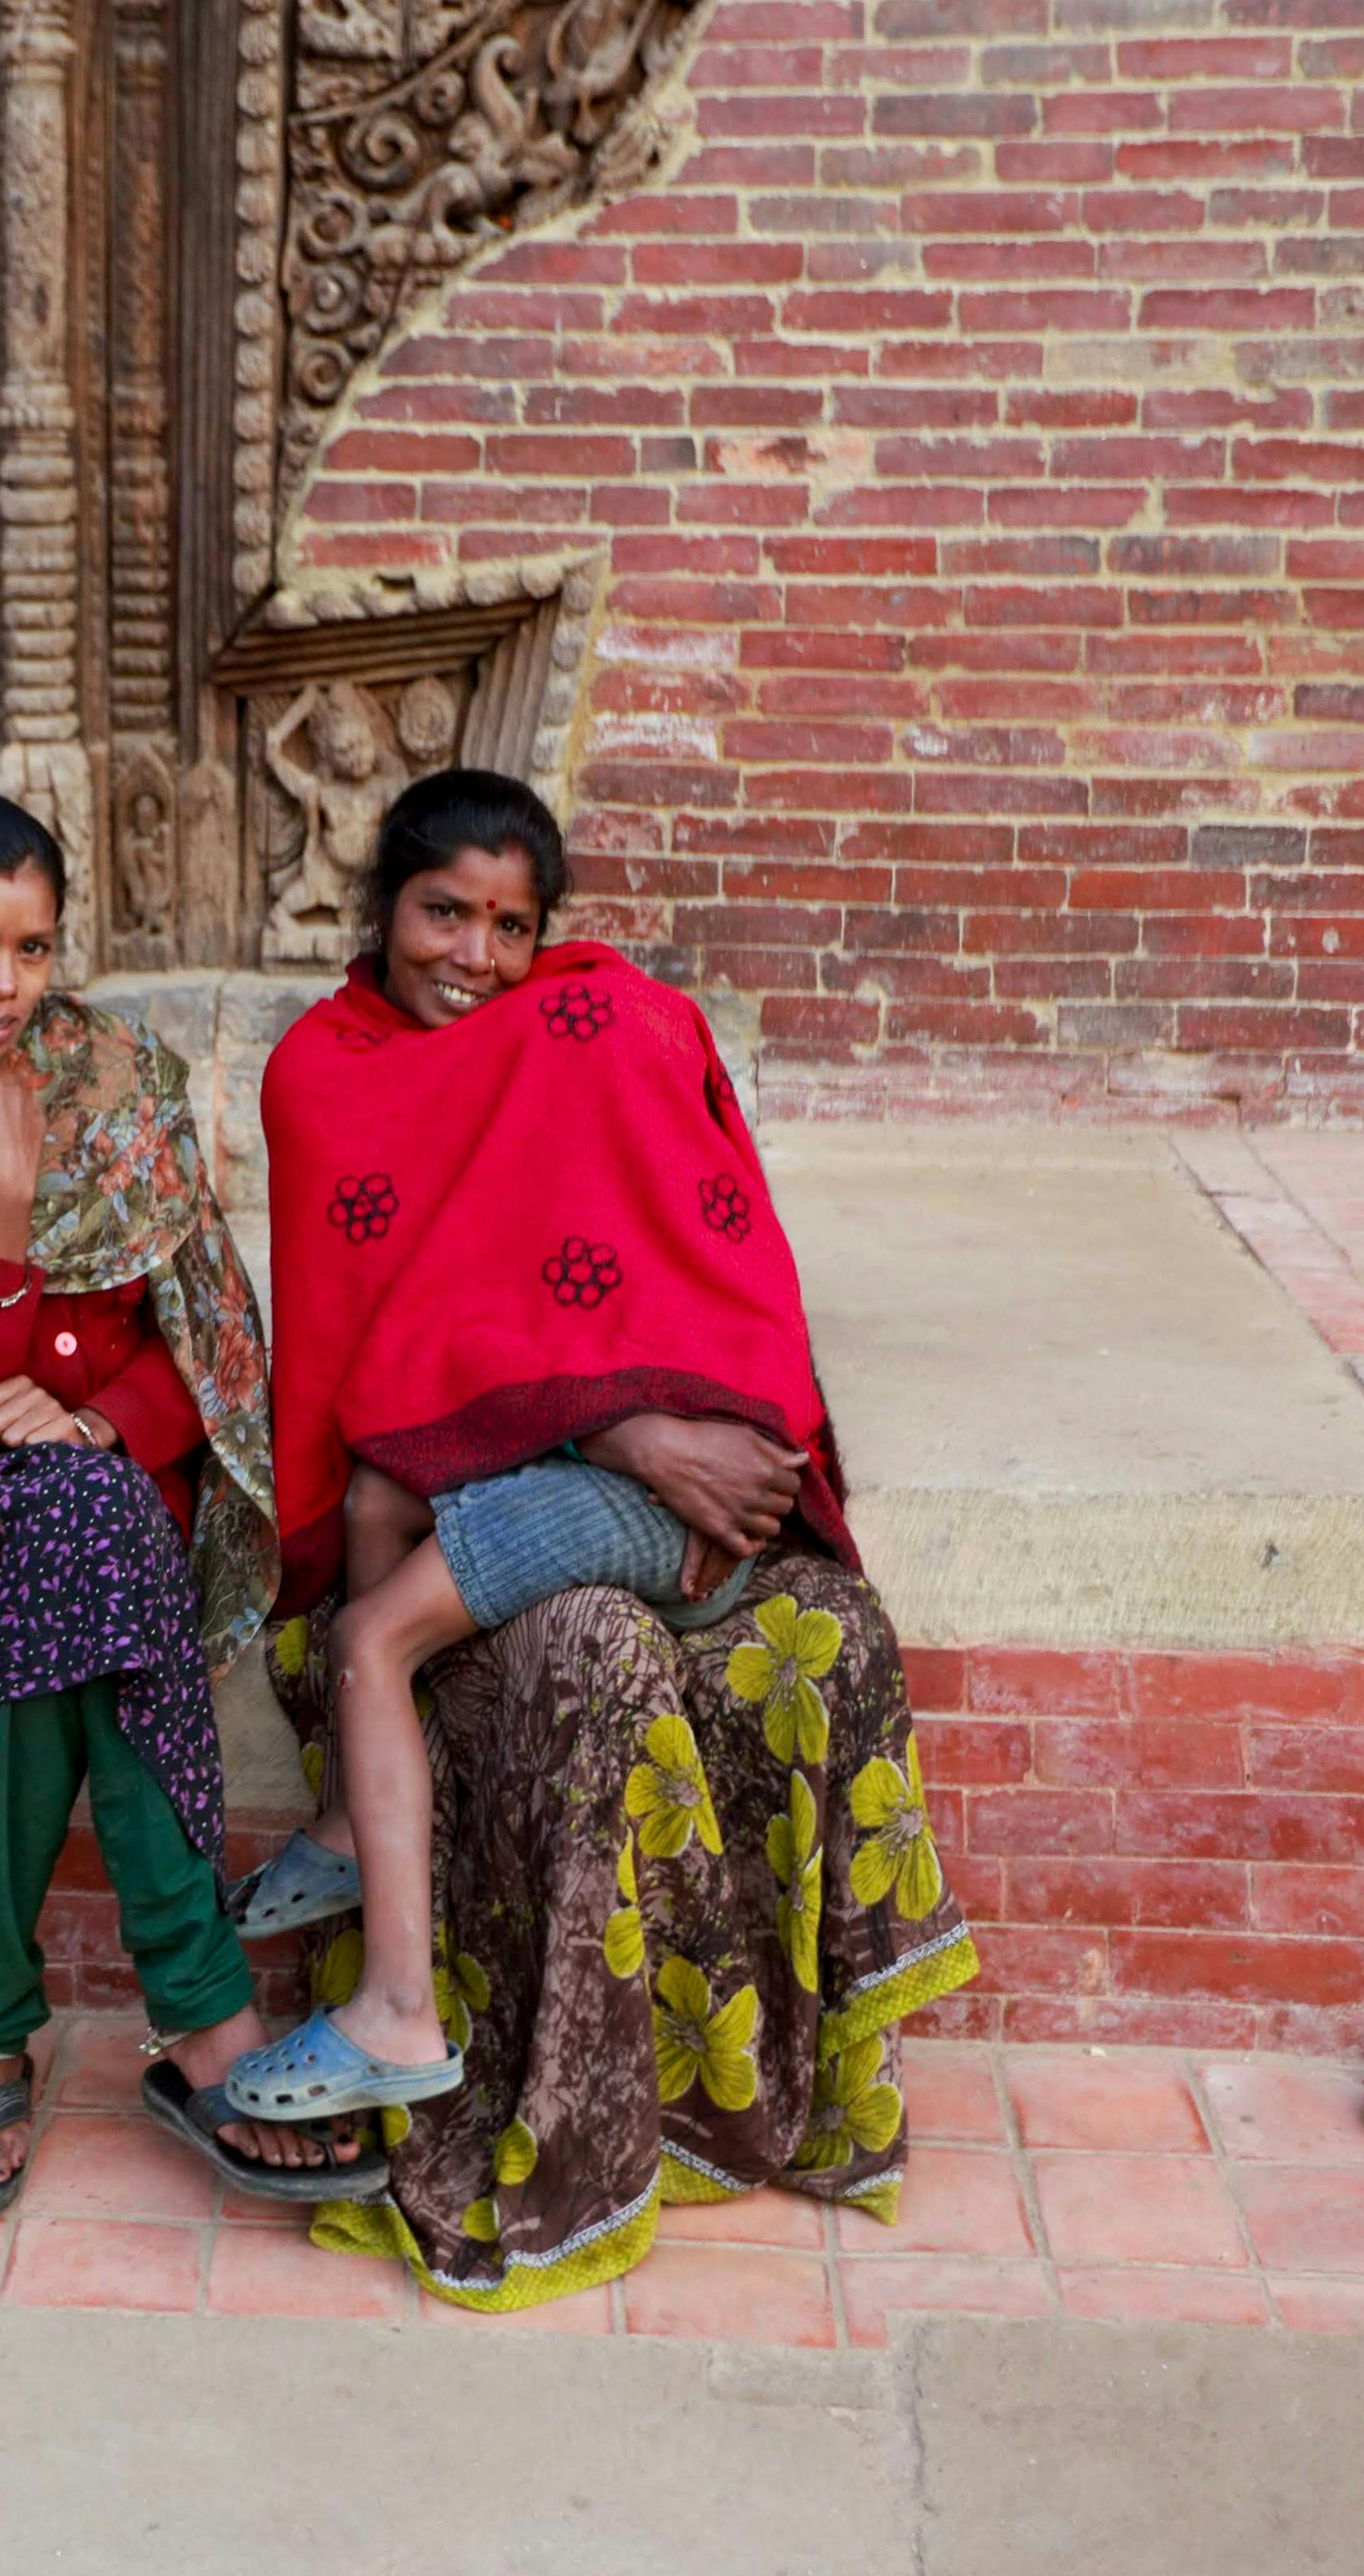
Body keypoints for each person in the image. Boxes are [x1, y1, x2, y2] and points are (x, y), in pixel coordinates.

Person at [252, 766, 978, 2310]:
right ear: (378, 901)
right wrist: (626, 1428)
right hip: (525, 1471)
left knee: (810, 1627)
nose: (476, 954)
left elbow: (688, 1248)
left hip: (622, 1479)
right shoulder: (325, 1071)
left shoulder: (588, 1026)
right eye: (444, 910)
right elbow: (382, 1344)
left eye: (512, 924)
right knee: (393, 1544)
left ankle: (755, 2085)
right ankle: (383, 1913)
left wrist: (671, 1419)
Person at [0, 791, 376, 2235]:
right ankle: (202, 2017)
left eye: (31, 948)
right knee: (81, 1533)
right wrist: (0, 1211)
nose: (2, 983)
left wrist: (105, 1421)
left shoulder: (122, 1070)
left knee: (74, 1546)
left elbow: (216, 1334)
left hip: (104, 1491)